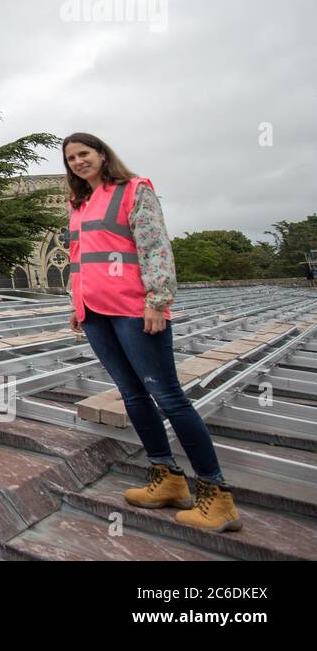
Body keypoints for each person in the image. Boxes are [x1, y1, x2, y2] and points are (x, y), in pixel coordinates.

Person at [63, 131, 241, 532]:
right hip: (94, 312)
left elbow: (155, 246)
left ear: (102, 154)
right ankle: (167, 477)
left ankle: (216, 494)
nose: (78, 162)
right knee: (131, 394)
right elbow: (78, 259)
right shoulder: (80, 203)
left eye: (84, 153)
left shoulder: (133, 190)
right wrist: (76, 304)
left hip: (133, 309)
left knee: (169, 397)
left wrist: (157, 302)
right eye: (71, 158)